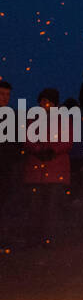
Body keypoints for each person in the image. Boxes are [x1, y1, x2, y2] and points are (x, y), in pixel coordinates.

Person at [24, 88, 73, 245]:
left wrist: (53, 149)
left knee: (52, 206)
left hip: (55, 170)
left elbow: (68, 140)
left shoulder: (63, 120)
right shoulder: (32, 120)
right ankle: (34, 237)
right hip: (37, 170)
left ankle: (49, 237)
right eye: (43, 101)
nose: (46, 104)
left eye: (49, 101)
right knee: (35, 206)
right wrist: (38, 149)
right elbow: (26, 138)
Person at [0, 81, 19, 248]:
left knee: (5, 203)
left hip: (5, 168)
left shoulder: (11, 116)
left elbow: (17, 143)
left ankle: (3, 237)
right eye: (1, 94)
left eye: (7, 95)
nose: (5, 98)